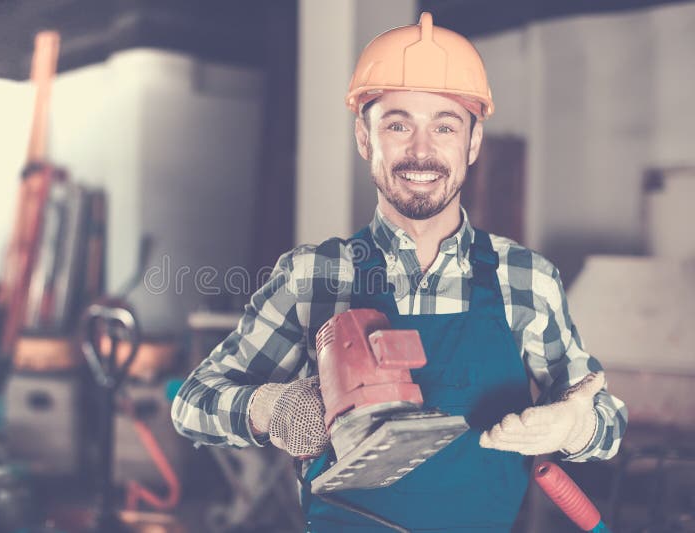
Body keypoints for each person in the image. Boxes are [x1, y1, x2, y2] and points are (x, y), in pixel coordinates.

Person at [172, 12, 627, 532]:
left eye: (445, 126)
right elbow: (191, 402)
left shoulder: (525, 280)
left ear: (473, 142)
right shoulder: (315, 275)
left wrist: (576, 423)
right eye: (397, 124)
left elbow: (609, 424)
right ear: (366, 140)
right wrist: (266, 409)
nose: (421, 150)